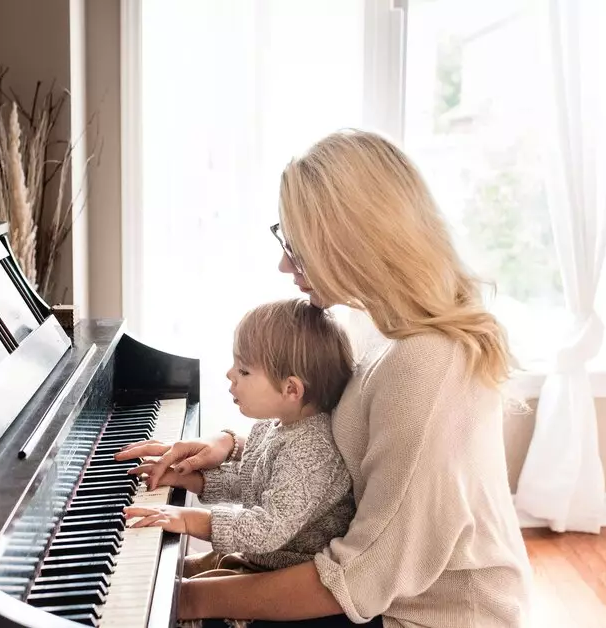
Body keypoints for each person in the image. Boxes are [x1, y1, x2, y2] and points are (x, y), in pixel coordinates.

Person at [117, 129, 532, 628]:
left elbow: (355, 580)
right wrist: (229, 444)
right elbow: (331, 446)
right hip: (372, 593)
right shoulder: (376, 323)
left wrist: (178, 600)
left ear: (352, 240)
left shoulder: (425, 366)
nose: (284, 262)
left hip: (418, 618)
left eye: (298, 245)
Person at [121, 298, 356, 580]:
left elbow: (267, 529)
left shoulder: (312, 451)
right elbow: (251, 481)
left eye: (244, 371)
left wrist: (187, 519)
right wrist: (187, 479)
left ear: (291, 389)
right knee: (154, 576)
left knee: (169, 594)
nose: (230, 375)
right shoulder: (275, 426)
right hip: (261, 557)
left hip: (283, 570)